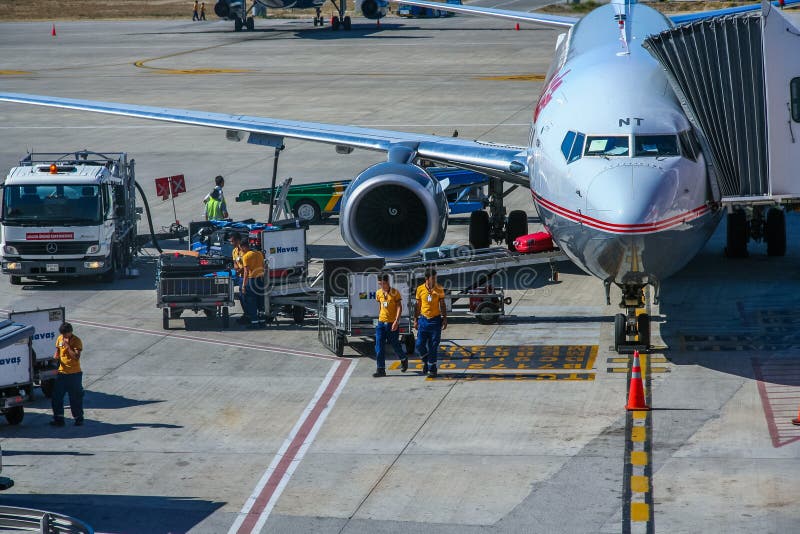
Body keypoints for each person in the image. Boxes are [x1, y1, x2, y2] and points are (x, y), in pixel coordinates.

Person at [373, 273, 408, 377]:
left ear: (388, 282)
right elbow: (380, 306)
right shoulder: (378, 293)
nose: (382, 286)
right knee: (379, 346)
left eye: (384, 283)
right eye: (380, 284)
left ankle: (403, 358)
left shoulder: (395, 293)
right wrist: (379, 318)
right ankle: (381, 369)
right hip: (381, 323)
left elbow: (399, 307)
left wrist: (396, 321)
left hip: (391, 323)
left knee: (395, 344)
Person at [414, 268, 447, 378]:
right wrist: (415, 319)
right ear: (427, 279)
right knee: (419, 345)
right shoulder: (420, 289)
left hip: (435, 320)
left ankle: (432, 368)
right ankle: (426, 360)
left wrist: (445, 318)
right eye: (433, 278)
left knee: (433, 345)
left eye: (435, 278)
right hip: (423, 320)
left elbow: (442, 304)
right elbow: (418, 306)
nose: (435, 280)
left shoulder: (439, 289)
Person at [50, 322, 84, 427]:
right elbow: (58, 352)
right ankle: (59, 418)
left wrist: (68, 346)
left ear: (70, 332)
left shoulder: (76, 341)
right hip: (62, 374)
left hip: (74, 374)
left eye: (66, 334)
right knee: (56, 397)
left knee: (75, 397)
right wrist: (54, 363)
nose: (64, 336)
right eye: (63, 334)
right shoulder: (60, 338)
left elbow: (76, 357)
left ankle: (78, 418)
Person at [240, 240, 266, 328]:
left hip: (252, 280)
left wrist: (243, 284)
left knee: (251, 302)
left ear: (244, 247)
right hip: (261, 280)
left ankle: (254, 323)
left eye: (241, 248)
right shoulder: (259, 253)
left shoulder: (246, 256)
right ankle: (262, 322)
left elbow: (246, 272)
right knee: (260, 302)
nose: (241, 250)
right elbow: (263, 266)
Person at [229, 232, 249, 323]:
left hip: (246, 276)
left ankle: (249, 315)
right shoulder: (234, 251)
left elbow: (246, 266)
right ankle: (246, 314)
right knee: (240, 296)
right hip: (239, 276)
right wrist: (236, 269)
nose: (231, 243)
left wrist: (239, 271)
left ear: (238, 241)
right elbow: (235, 263)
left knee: (245, 297)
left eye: (232, 241)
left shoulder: (244, 250)